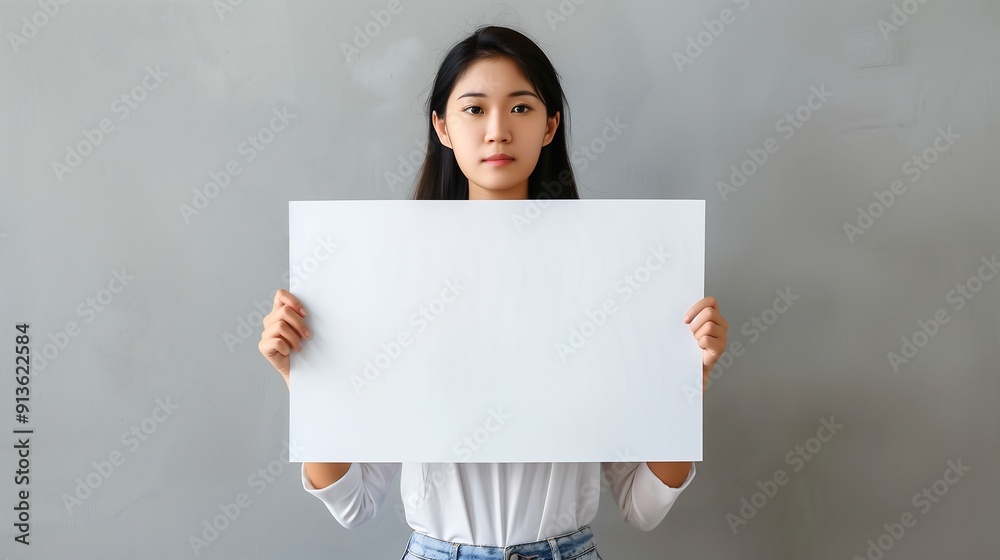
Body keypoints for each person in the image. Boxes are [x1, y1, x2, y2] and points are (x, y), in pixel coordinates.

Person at [258, 24, 729, 560]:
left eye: (522, 108)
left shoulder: (611, 277)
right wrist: (311, 382)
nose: (498, 130)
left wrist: (682, 388)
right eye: (475, 109)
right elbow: (353, 502)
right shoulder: (392, 278)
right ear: (442, 126)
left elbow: (643, 505)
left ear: (551, 126)